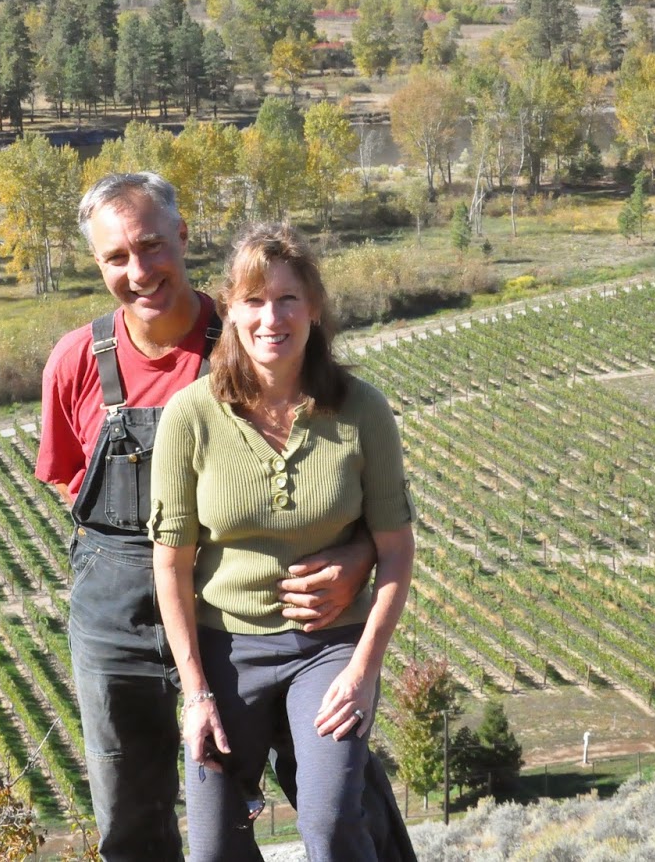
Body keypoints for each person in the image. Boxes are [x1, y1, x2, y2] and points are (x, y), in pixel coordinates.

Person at [35, 173, 414, 862]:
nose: (139, 271)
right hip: (119, 616)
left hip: (257, 613)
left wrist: (357, 556)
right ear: (97, 264)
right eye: (116, 257)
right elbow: (68, 481)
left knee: (341, 797)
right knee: (129, 810)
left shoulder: (250, 332)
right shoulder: (75, 361)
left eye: (151, 245)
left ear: (182, 238)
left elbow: (351, 491)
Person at [151, 222, 415, 862]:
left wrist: (363, 672)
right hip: (224, 651)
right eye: (254, 300)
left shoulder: (362, 411)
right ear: (231, 311)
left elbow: (397, 551)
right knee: (214, 848)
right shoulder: (190, 415)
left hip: (327, 649)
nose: (272, 318)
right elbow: (171, 565)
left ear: (314, 308)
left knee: (330, 823)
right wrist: (196, 694)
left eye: (288, 299)